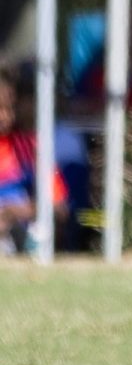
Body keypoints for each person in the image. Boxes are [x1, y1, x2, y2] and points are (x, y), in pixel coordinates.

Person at [0, 63, 69, 256]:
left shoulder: (30, 147)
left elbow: (59, 208)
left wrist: (16, 212)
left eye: (9, 108)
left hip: (19, 241)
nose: (5, 117)